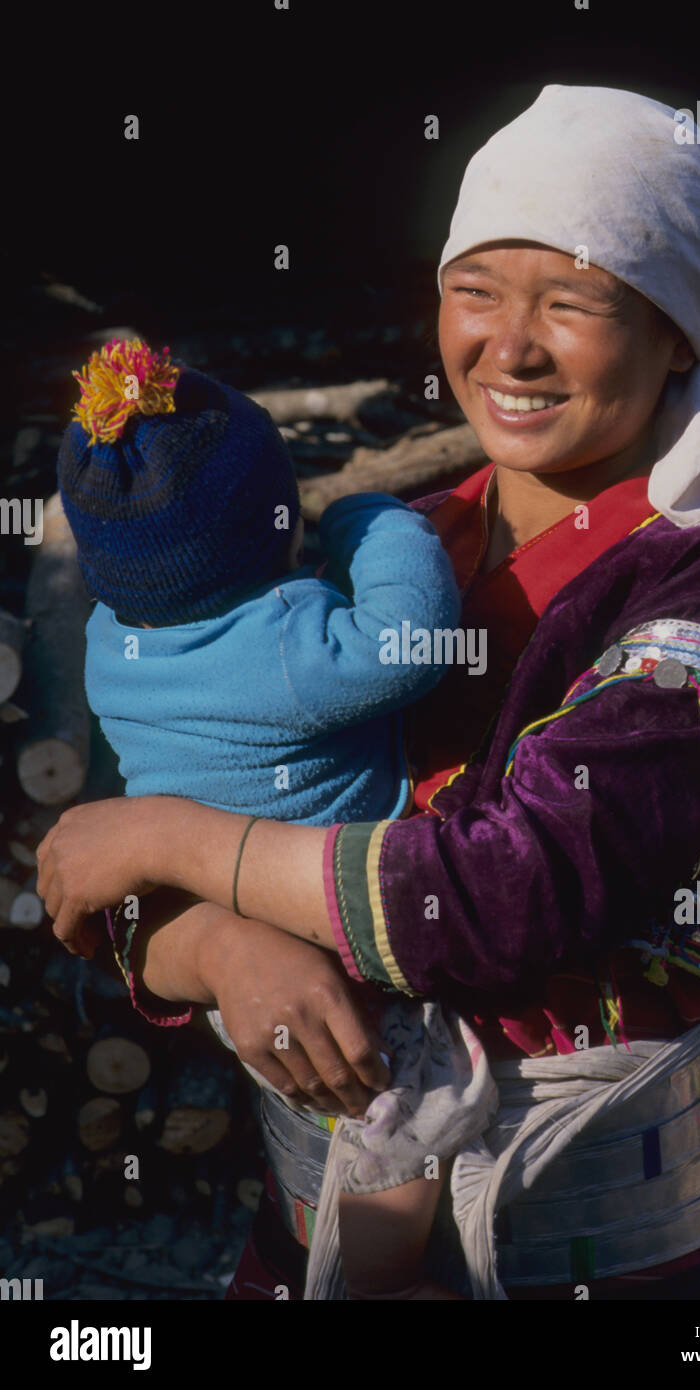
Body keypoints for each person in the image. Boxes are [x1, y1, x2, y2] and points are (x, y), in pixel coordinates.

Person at [38, 85, 700, 1301]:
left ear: (679, 332)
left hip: (596, 1262)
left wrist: (168, 839)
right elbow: (129, 883)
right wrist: (222, 944)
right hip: (317, 1243)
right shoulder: (392, 552)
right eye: (475, 293)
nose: (507, 347)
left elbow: (505, 896)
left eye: (571, 304)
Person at [53, 339, 497, 1300]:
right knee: (402, 1114)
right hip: (337, 947)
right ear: (276, 526)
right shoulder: (291, 645)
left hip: (221, 947)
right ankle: (380, 1284)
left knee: (341, 1122)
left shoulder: (107, 643)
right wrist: (372, 522)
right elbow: (410, 644)